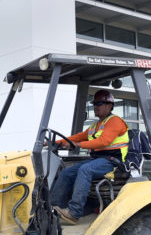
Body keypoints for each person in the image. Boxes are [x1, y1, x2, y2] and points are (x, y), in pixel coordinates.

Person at [51, 89, 129, 224]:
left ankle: (73, 213)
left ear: (110, 105)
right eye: (94, 104)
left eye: (99, 103)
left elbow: (104, 141)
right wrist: (52, 142)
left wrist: (78, 145)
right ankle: (52, 208)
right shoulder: (96, 126)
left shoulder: (115, 121)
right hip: (97, 160)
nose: (96, 107)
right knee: (67, 173)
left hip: (112, 161)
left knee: (85, 169)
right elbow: (74, 138)